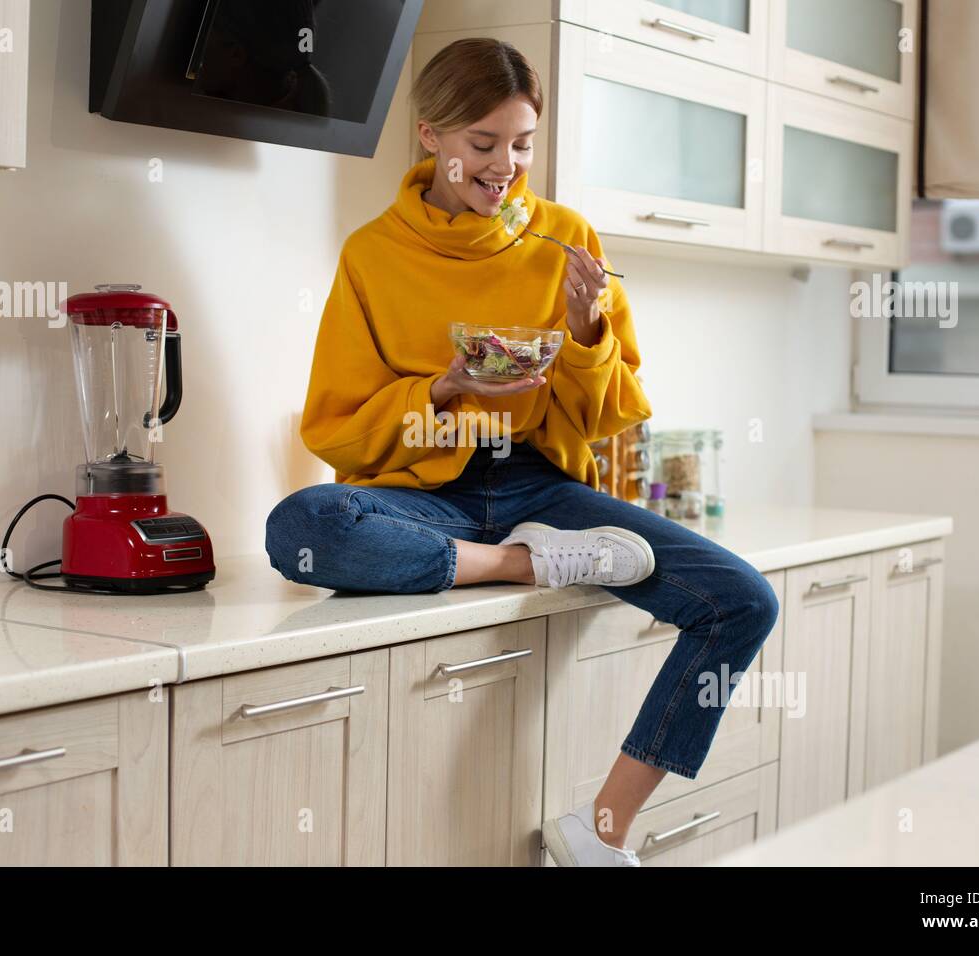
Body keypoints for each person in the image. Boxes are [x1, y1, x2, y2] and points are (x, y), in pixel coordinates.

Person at [266, 38, 778, 866]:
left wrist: (584, 331)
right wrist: (443, 389)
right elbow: (333, 424)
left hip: (542, 488)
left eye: (522, 143)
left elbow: (612, 411)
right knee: (302, 524)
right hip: (427, 493)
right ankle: (520, 566)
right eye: (483, 143)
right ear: (430, 134)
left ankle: (601, 830)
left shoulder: (564, 238)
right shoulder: (373, 253)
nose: (505, 166)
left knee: (744, 602)